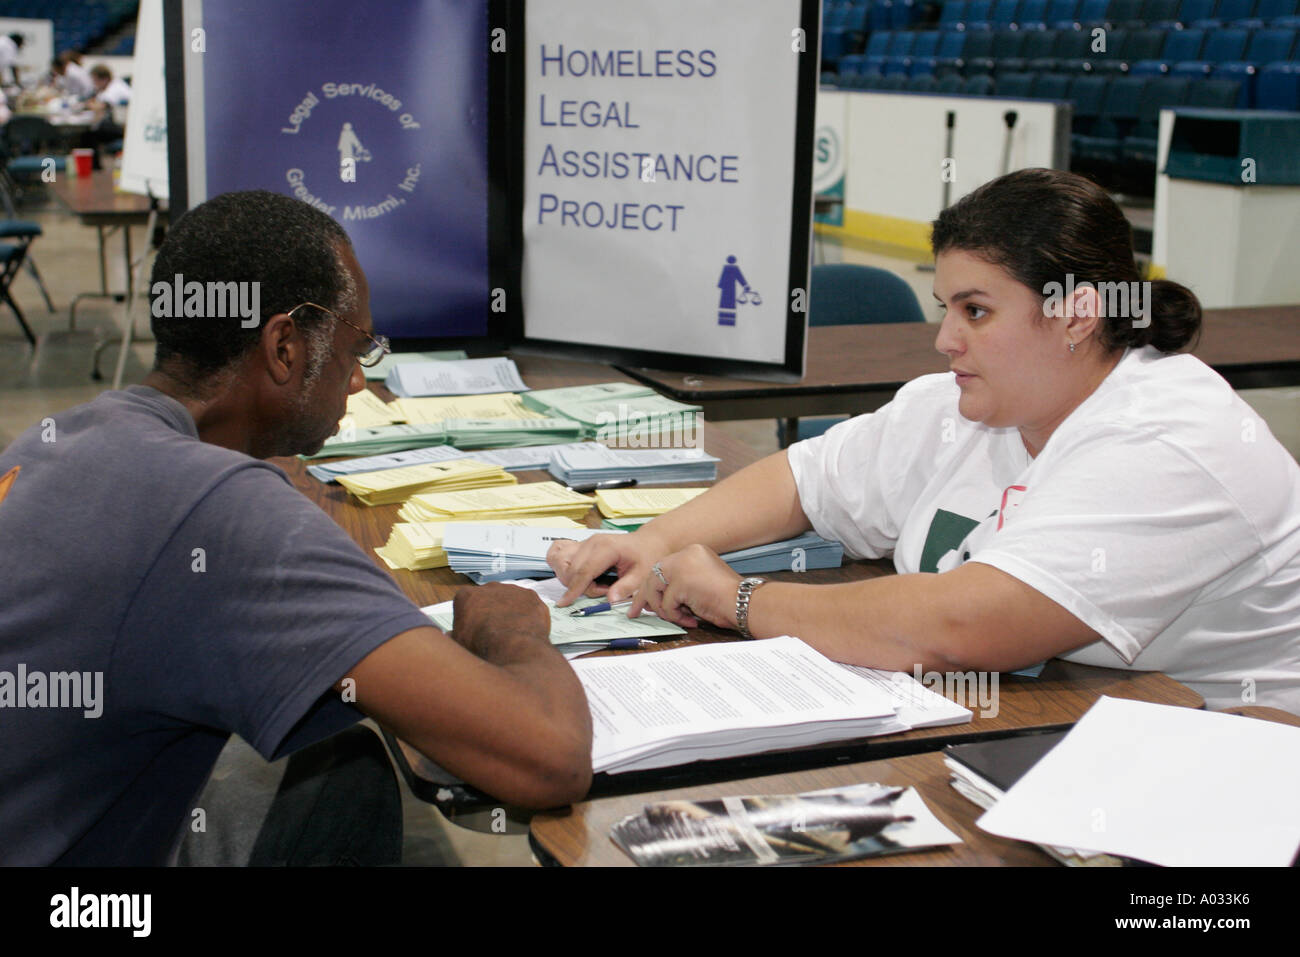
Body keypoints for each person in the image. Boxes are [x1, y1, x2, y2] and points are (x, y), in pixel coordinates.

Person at [549, 168, 1300, 715]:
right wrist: (653, 541)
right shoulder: (967, 405)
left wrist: (738, 598)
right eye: (946, 307)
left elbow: (960, 627)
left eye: (976, 311)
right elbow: (805, 480)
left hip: (1220, 766)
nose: (944, 339)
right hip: (1050, 720)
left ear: (1077, 315)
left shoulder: (1166, 438)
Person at [0, 190, 592, 865]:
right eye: (354, 350)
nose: (360, 382)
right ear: (283, 346)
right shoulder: (221, 509)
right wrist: (507, 628)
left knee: (332, 764)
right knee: (350, 780)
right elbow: (550, 756)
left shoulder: (54, 443)